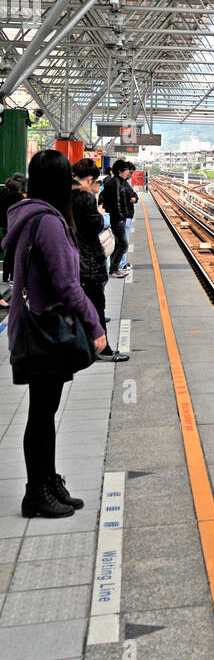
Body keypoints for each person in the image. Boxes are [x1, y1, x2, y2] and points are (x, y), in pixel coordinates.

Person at [4, 150, 106, 518]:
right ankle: (36, 492)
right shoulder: (48, 222)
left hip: (33, 324)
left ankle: (47, 482)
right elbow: (67, 284)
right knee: (42, 413)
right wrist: (95, 325)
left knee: (43, 412)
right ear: (61, 182)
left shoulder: (30, 215)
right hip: (45, 328)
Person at [71, 158, 129, 364]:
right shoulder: (85, 198)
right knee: (96, 304)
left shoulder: (66, 196)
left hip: (74, 257)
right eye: (96, 183)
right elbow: (94, 225)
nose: (97, 186)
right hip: (89, 259)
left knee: (83, 304)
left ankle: (82, 345)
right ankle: (103, 350)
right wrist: (100, 214)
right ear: (88, 180)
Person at [101, 158, 133, 278]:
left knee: (118, 244)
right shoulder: (116, 183)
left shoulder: (118, 182)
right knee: (123, 244)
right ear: (120, 171)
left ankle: (114, 268)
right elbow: (117, 202)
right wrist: (121, 217)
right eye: (126, 171)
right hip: (117, 218)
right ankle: (114, 269)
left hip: (118, 218)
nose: (128, 173)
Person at [0, 172, 26, 300]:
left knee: (8, 250)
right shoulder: (19, 197)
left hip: (4, 226)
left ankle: (5, 275)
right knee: (15, 250)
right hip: (15, 226)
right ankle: (12, 275)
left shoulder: (2, 194)